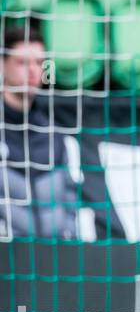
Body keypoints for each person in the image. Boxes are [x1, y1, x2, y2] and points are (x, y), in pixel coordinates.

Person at [0, 20, 76, 240]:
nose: (33, 71)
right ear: (3, 65)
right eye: (22, 62)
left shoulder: (55, 135)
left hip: (54, 263)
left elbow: (70, 199)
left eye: (39, 63)